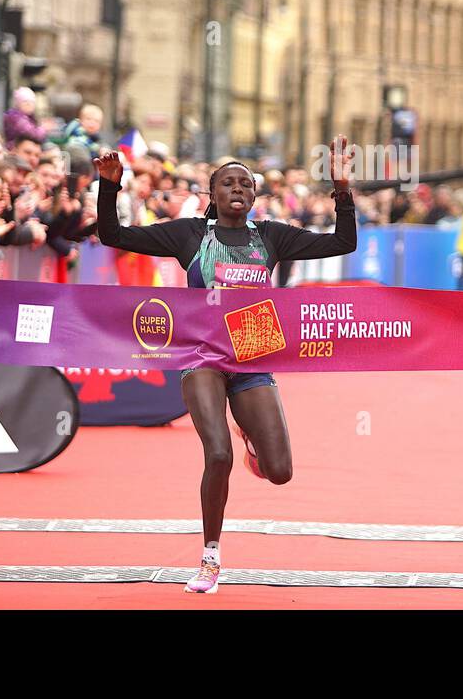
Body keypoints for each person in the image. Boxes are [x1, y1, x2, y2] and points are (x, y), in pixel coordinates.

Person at [95, 136, 357, 595]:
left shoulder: (272, 236)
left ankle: (255, 442)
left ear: (254, 196)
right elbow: (113, 237)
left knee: (280, 472)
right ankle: (210, 556)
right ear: (212, 194)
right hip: (202, 354)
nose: (237, 188)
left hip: (253, 351)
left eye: (245, 183)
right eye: (227, 183)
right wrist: (109, 188)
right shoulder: (189, 234)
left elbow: (343, 243)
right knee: (217, 454)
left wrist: (341, 189)